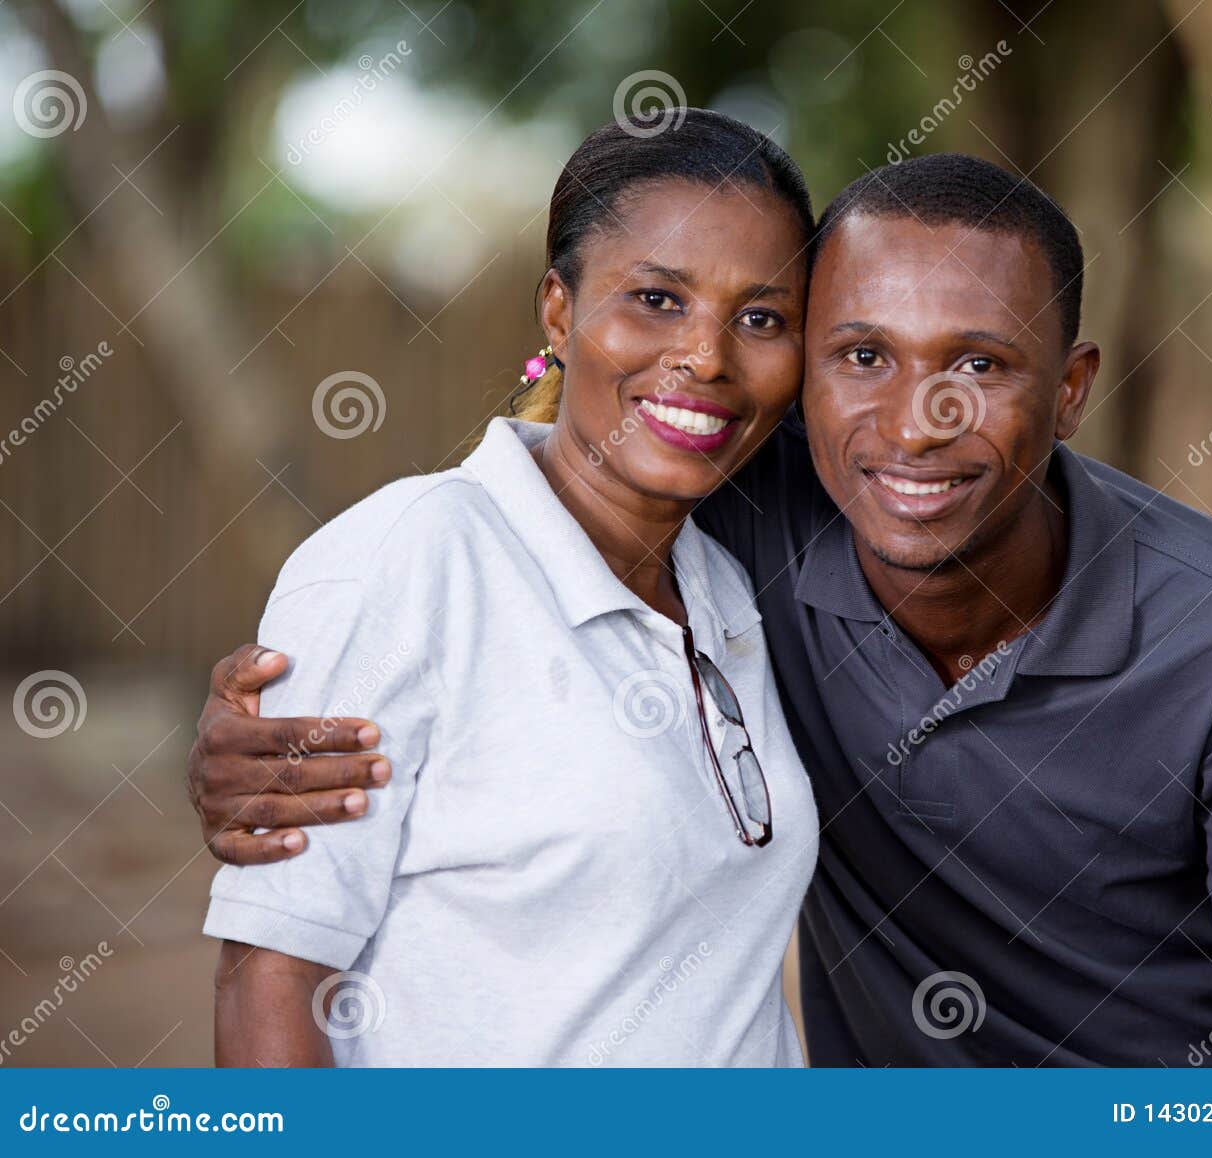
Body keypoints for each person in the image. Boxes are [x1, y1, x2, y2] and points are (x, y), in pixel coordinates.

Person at [190, 149, 1212, 1067]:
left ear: (1069, 391)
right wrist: (264, 733)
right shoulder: (735, 517)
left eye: (979, 363)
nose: (917, 423)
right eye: (860, 354)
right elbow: (507, 539)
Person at [201, 108, 823, 1066]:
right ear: (560, 312)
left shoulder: (729, 586)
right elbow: (272, 978)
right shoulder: (412, 559)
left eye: (761, 317)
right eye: (658, 298)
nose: (708, 356)